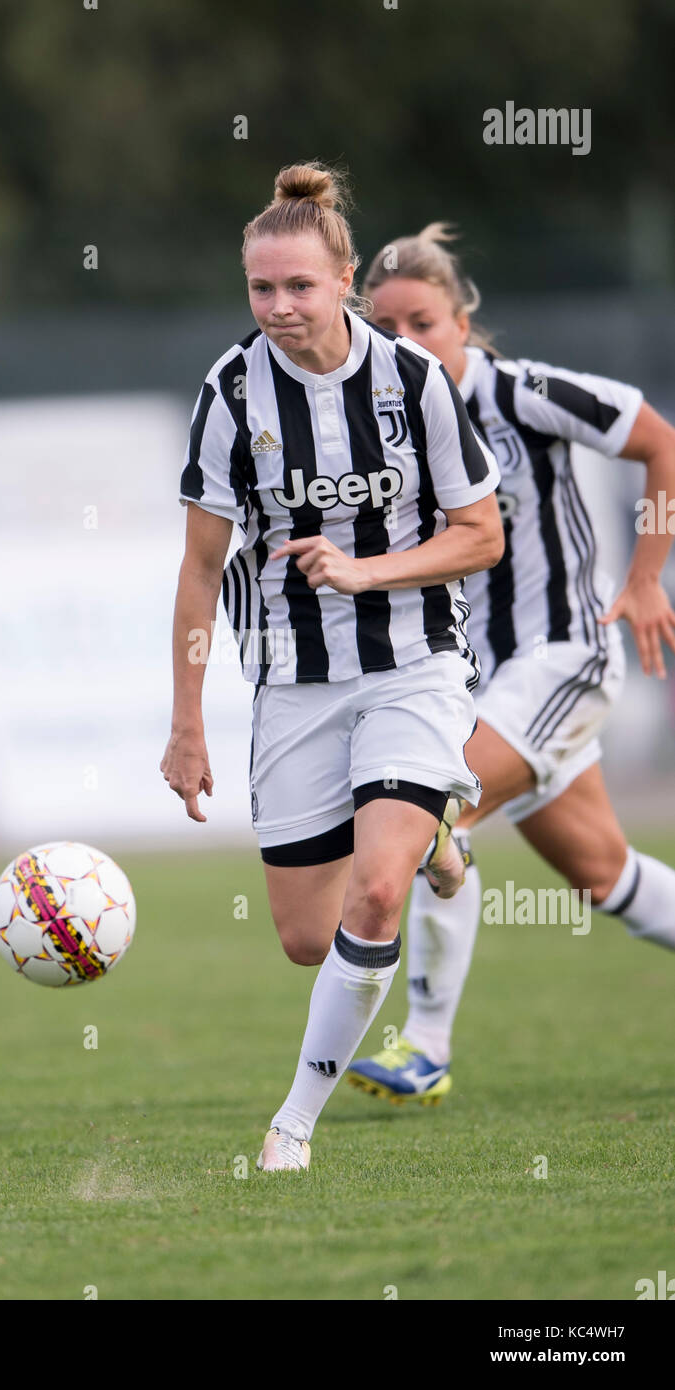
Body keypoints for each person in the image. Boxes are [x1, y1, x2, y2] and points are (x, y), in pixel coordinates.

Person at [161, 171, 503, 1169]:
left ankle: (291, 1127)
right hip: (293, 681)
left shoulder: (413, 381)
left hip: (412, 665)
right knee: (308, 940)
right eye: (262, 289)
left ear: (345, 279)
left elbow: (478, 535)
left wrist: (367, 571)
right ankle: (432, 822)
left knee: (378, 900)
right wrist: (187, 723)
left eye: (299, 287)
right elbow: (196, 566)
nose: (279, 308)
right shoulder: (230, 392)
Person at [347, 224, 675, 1105]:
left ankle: (422, 1047)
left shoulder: (524, 394)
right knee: (607, 876)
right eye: (387, 329)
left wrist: (645, 577)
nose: (407, 343)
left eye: (423, 321)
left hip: (563, 658)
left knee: (428, 814)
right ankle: (423, 1044)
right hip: (491, 687)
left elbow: (660, 442)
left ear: (462, 320)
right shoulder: (382, 430)